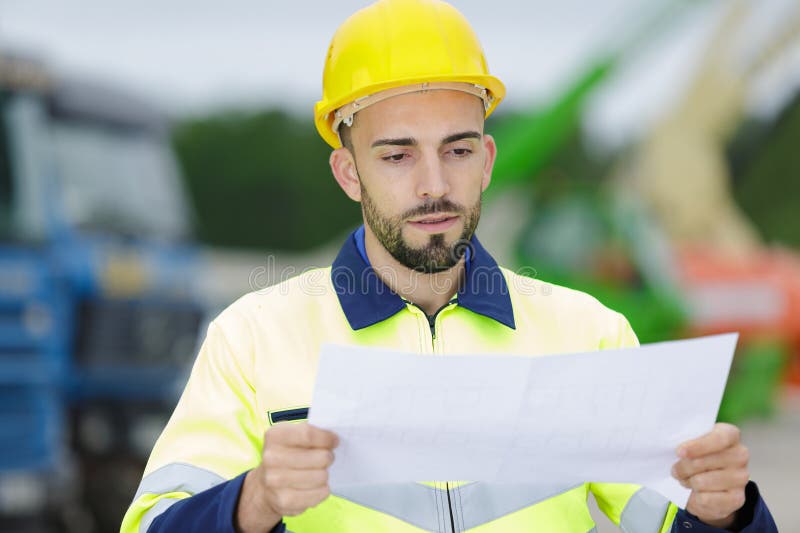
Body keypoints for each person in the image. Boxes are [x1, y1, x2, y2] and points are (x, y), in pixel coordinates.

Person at [121, 1, 777, 531]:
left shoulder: (589, 334)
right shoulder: (253, 340)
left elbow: (679, 517)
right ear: (349, 172)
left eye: (456, 150)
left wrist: (728, 512)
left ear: (488, 160)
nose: (434, 184)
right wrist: (254, 500)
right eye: (398, 155)